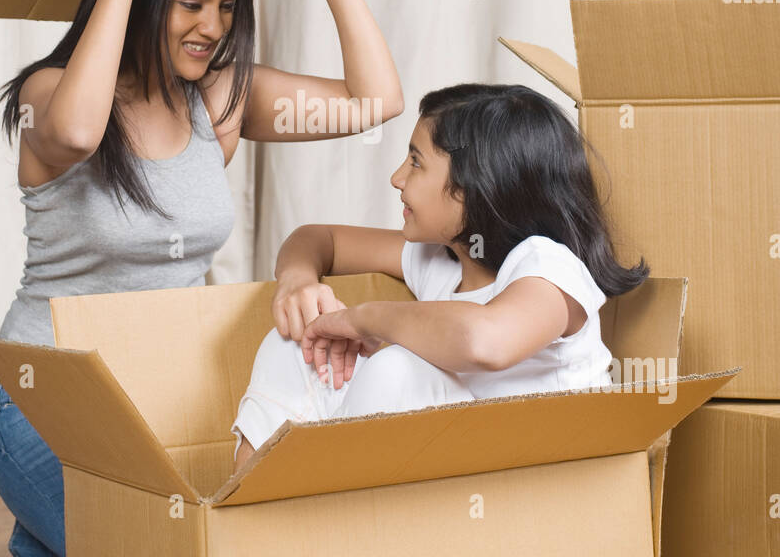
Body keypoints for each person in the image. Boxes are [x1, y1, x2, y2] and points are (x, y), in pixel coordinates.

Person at [0, 0, 403, 557]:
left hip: (159, 400)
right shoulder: (52, 97)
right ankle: (51, 548)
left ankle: (55, 554)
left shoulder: (215, 104)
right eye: (191, 4)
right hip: (45, 407)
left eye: (228, 7)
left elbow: (374, 99)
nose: (213, 27)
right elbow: (78, 130)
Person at [232, 82, 650, 468]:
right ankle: (257, 511)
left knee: (397, 369)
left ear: (477, 187)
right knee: (296, 344)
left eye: (416, 163)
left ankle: (328, 516)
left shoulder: (547, 266)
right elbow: (319, 238)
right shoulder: (440, 261)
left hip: (529, 489)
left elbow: (483, 342)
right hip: (448, 474)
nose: (397, 178)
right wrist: (298, 280)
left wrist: (362, 319)